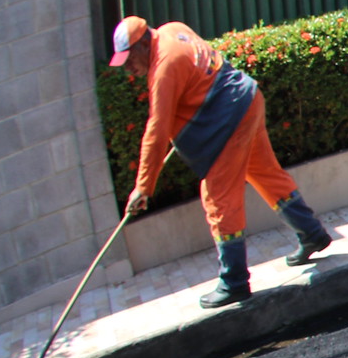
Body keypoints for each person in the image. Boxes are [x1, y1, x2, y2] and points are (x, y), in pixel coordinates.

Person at [113, 16, 333, 309]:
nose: (129, 69)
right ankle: (312, 233)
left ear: (143, 43)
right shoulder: (174, 30)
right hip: (246, 98)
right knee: (266, 174)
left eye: (129, 60)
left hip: (229, 120)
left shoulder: (164, 66)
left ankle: (235, 282)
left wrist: (143, 187)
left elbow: (157, 128)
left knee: (218, 197)